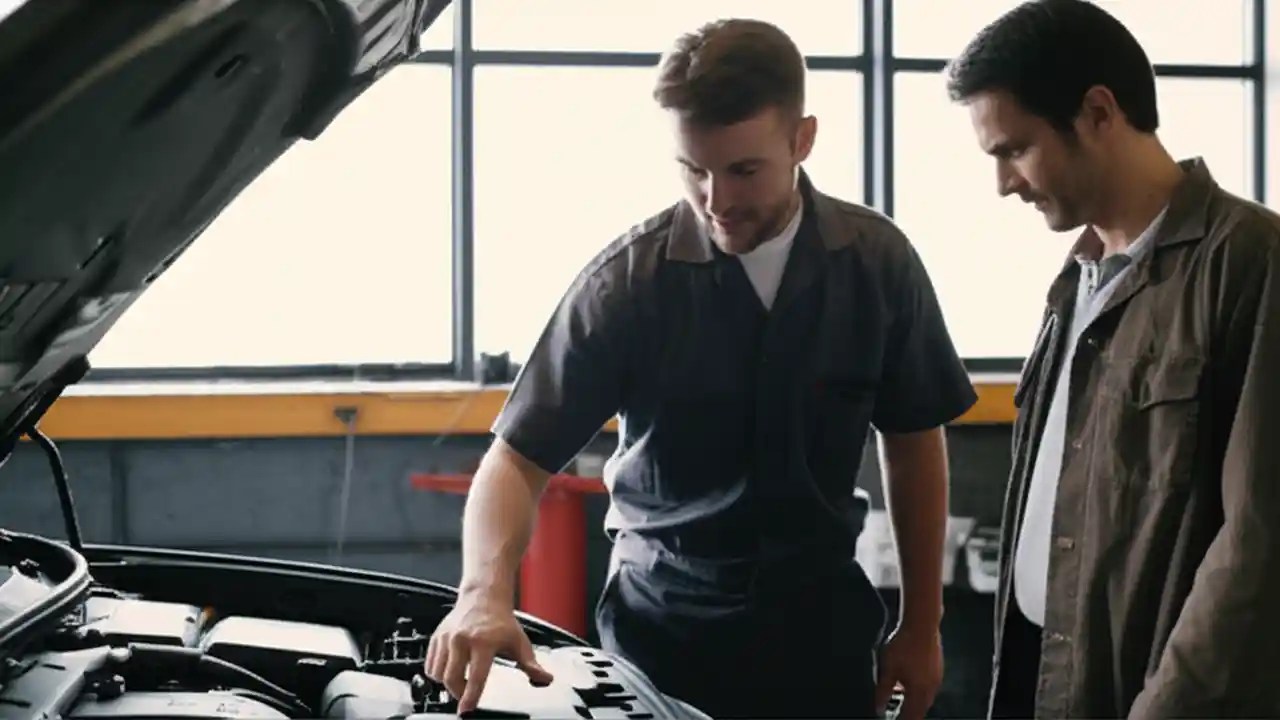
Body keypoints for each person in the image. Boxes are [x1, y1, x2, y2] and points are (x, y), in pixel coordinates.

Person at [425, 18, 977, 720]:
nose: (716, 201)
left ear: (802, 140)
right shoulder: (625, 284)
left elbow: (913, 439)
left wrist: (921, 626)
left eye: (743, 170)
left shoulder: (879, 264)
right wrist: (481, 592)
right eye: (693, 170)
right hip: (661, 637)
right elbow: (516, 458)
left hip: (823, 636)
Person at [945, 1, 1280, 717]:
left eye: (1015, 149)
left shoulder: (1251, 261)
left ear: (1098, 111)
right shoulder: (1077, 280)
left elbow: (1259, 542)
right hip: (1043, 670)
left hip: (1152, 693)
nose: (1004, 183)